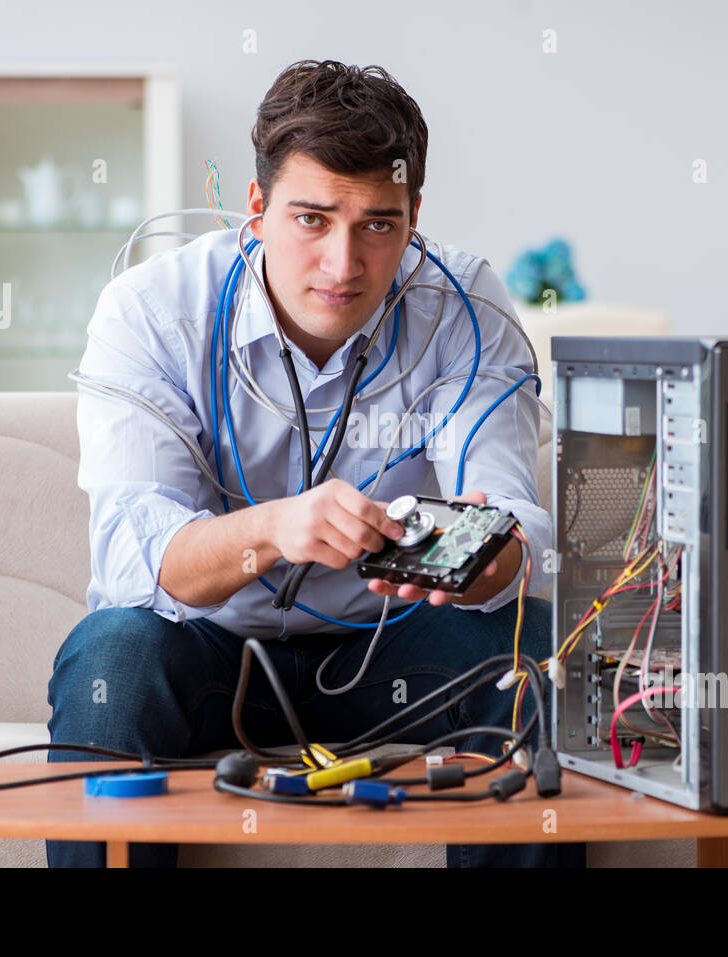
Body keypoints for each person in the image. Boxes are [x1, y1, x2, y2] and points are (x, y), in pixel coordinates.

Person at [47, 58, 585, 869]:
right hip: (212, 654)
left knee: (532, 650)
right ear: (256, 210)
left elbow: (521, 539)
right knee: (111, 655)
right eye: (312, 219)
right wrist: (271, 529)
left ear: (413, 218)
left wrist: (473, 553)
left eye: (378, 223)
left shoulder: (462, 307)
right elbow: (133, 559)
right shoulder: (155, 310)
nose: (343, 263)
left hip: (392, 645)